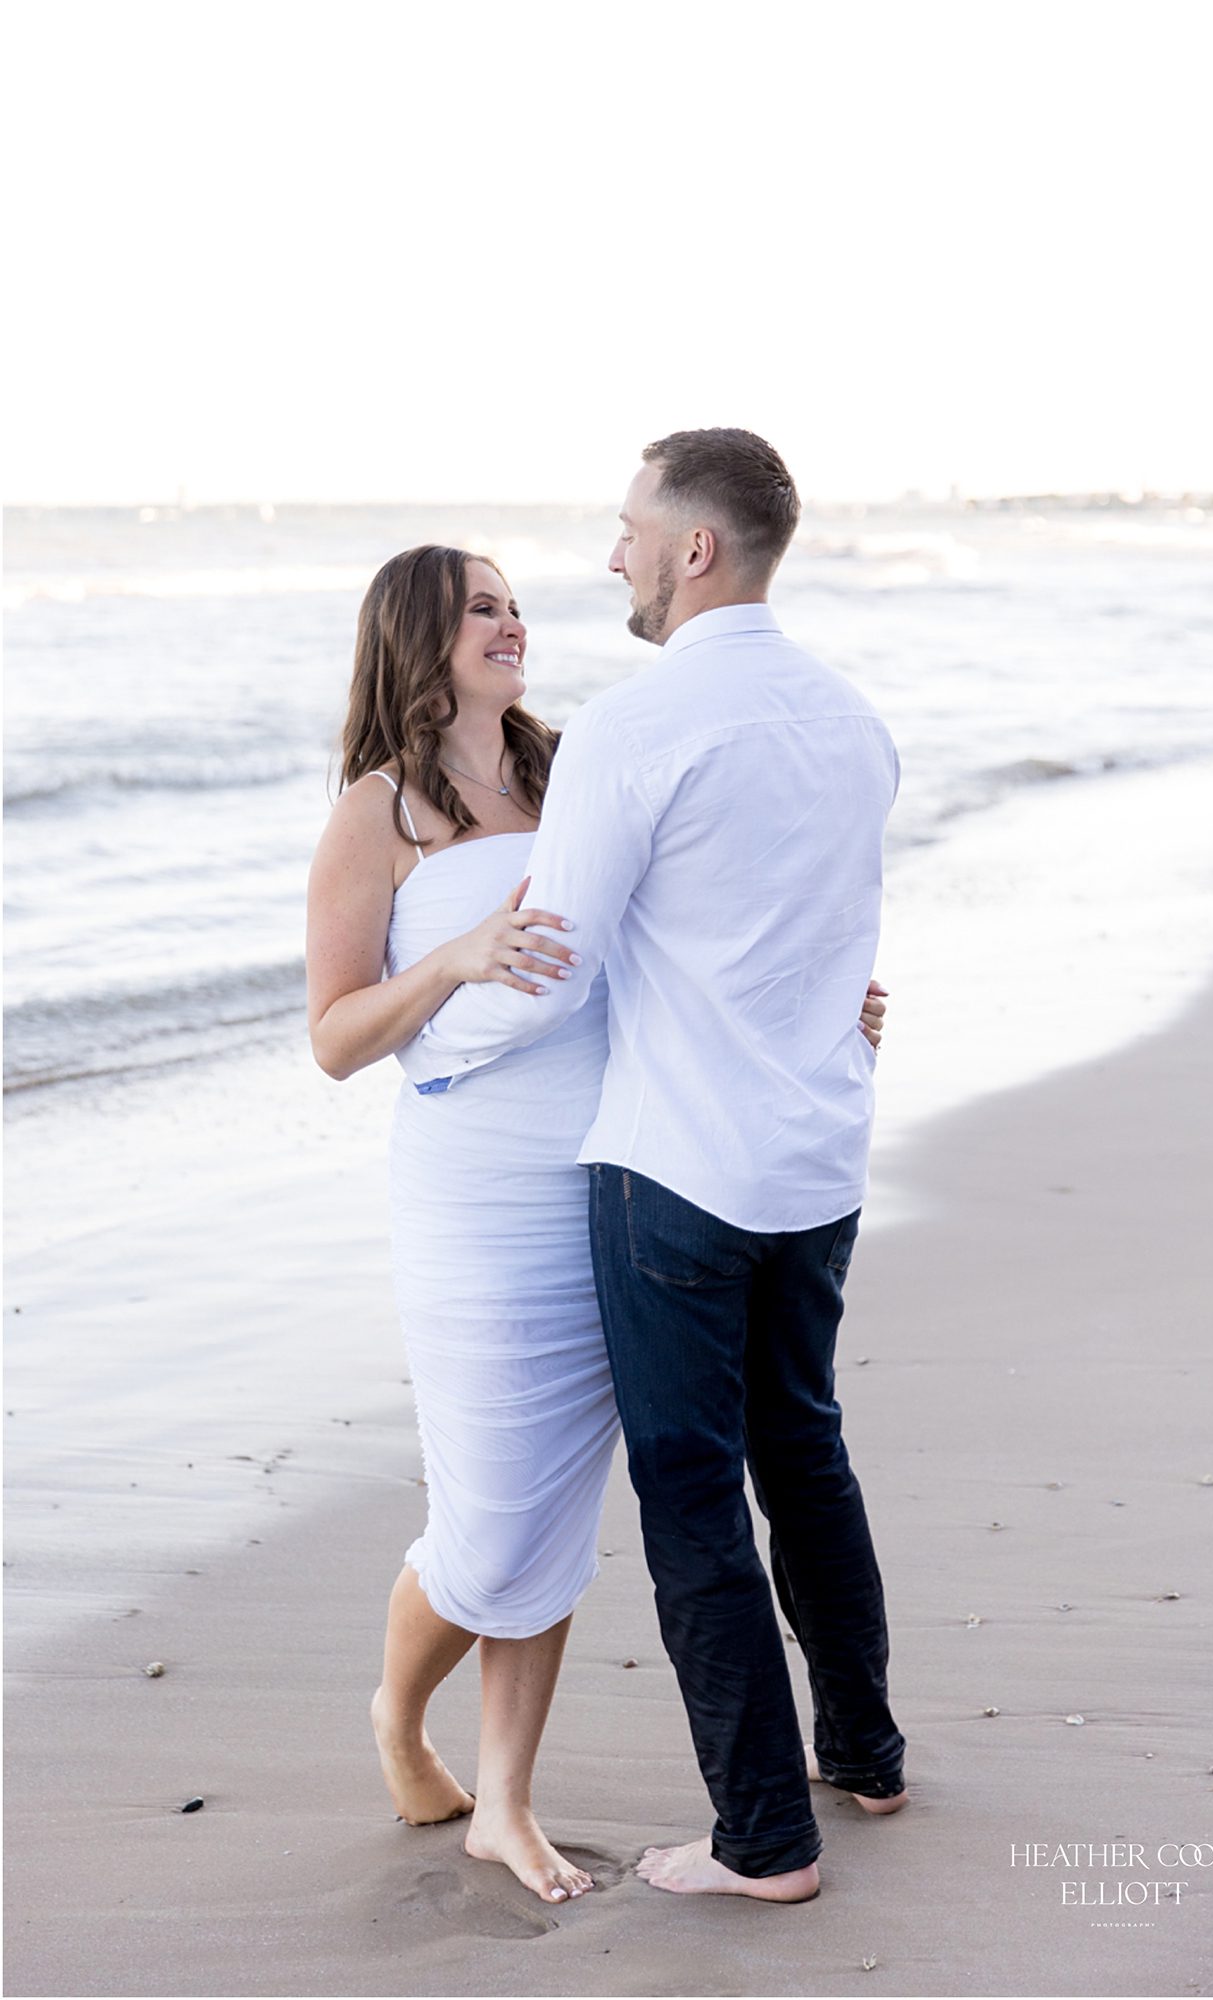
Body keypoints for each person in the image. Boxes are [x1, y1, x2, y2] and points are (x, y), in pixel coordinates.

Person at [306, 536, 887, 1905]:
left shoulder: (575, 765)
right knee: (492, 1519)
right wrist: (455, 960)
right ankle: (398, 1713)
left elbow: (687, 940)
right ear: (415, 635)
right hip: (475, 1191)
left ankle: (504, 1803)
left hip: (628, 1165)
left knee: (561, 1511)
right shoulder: (377, 816)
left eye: (515, 605)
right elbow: (334, 1037)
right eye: (480, 610)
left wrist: (819, 1012)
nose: (512, 625)